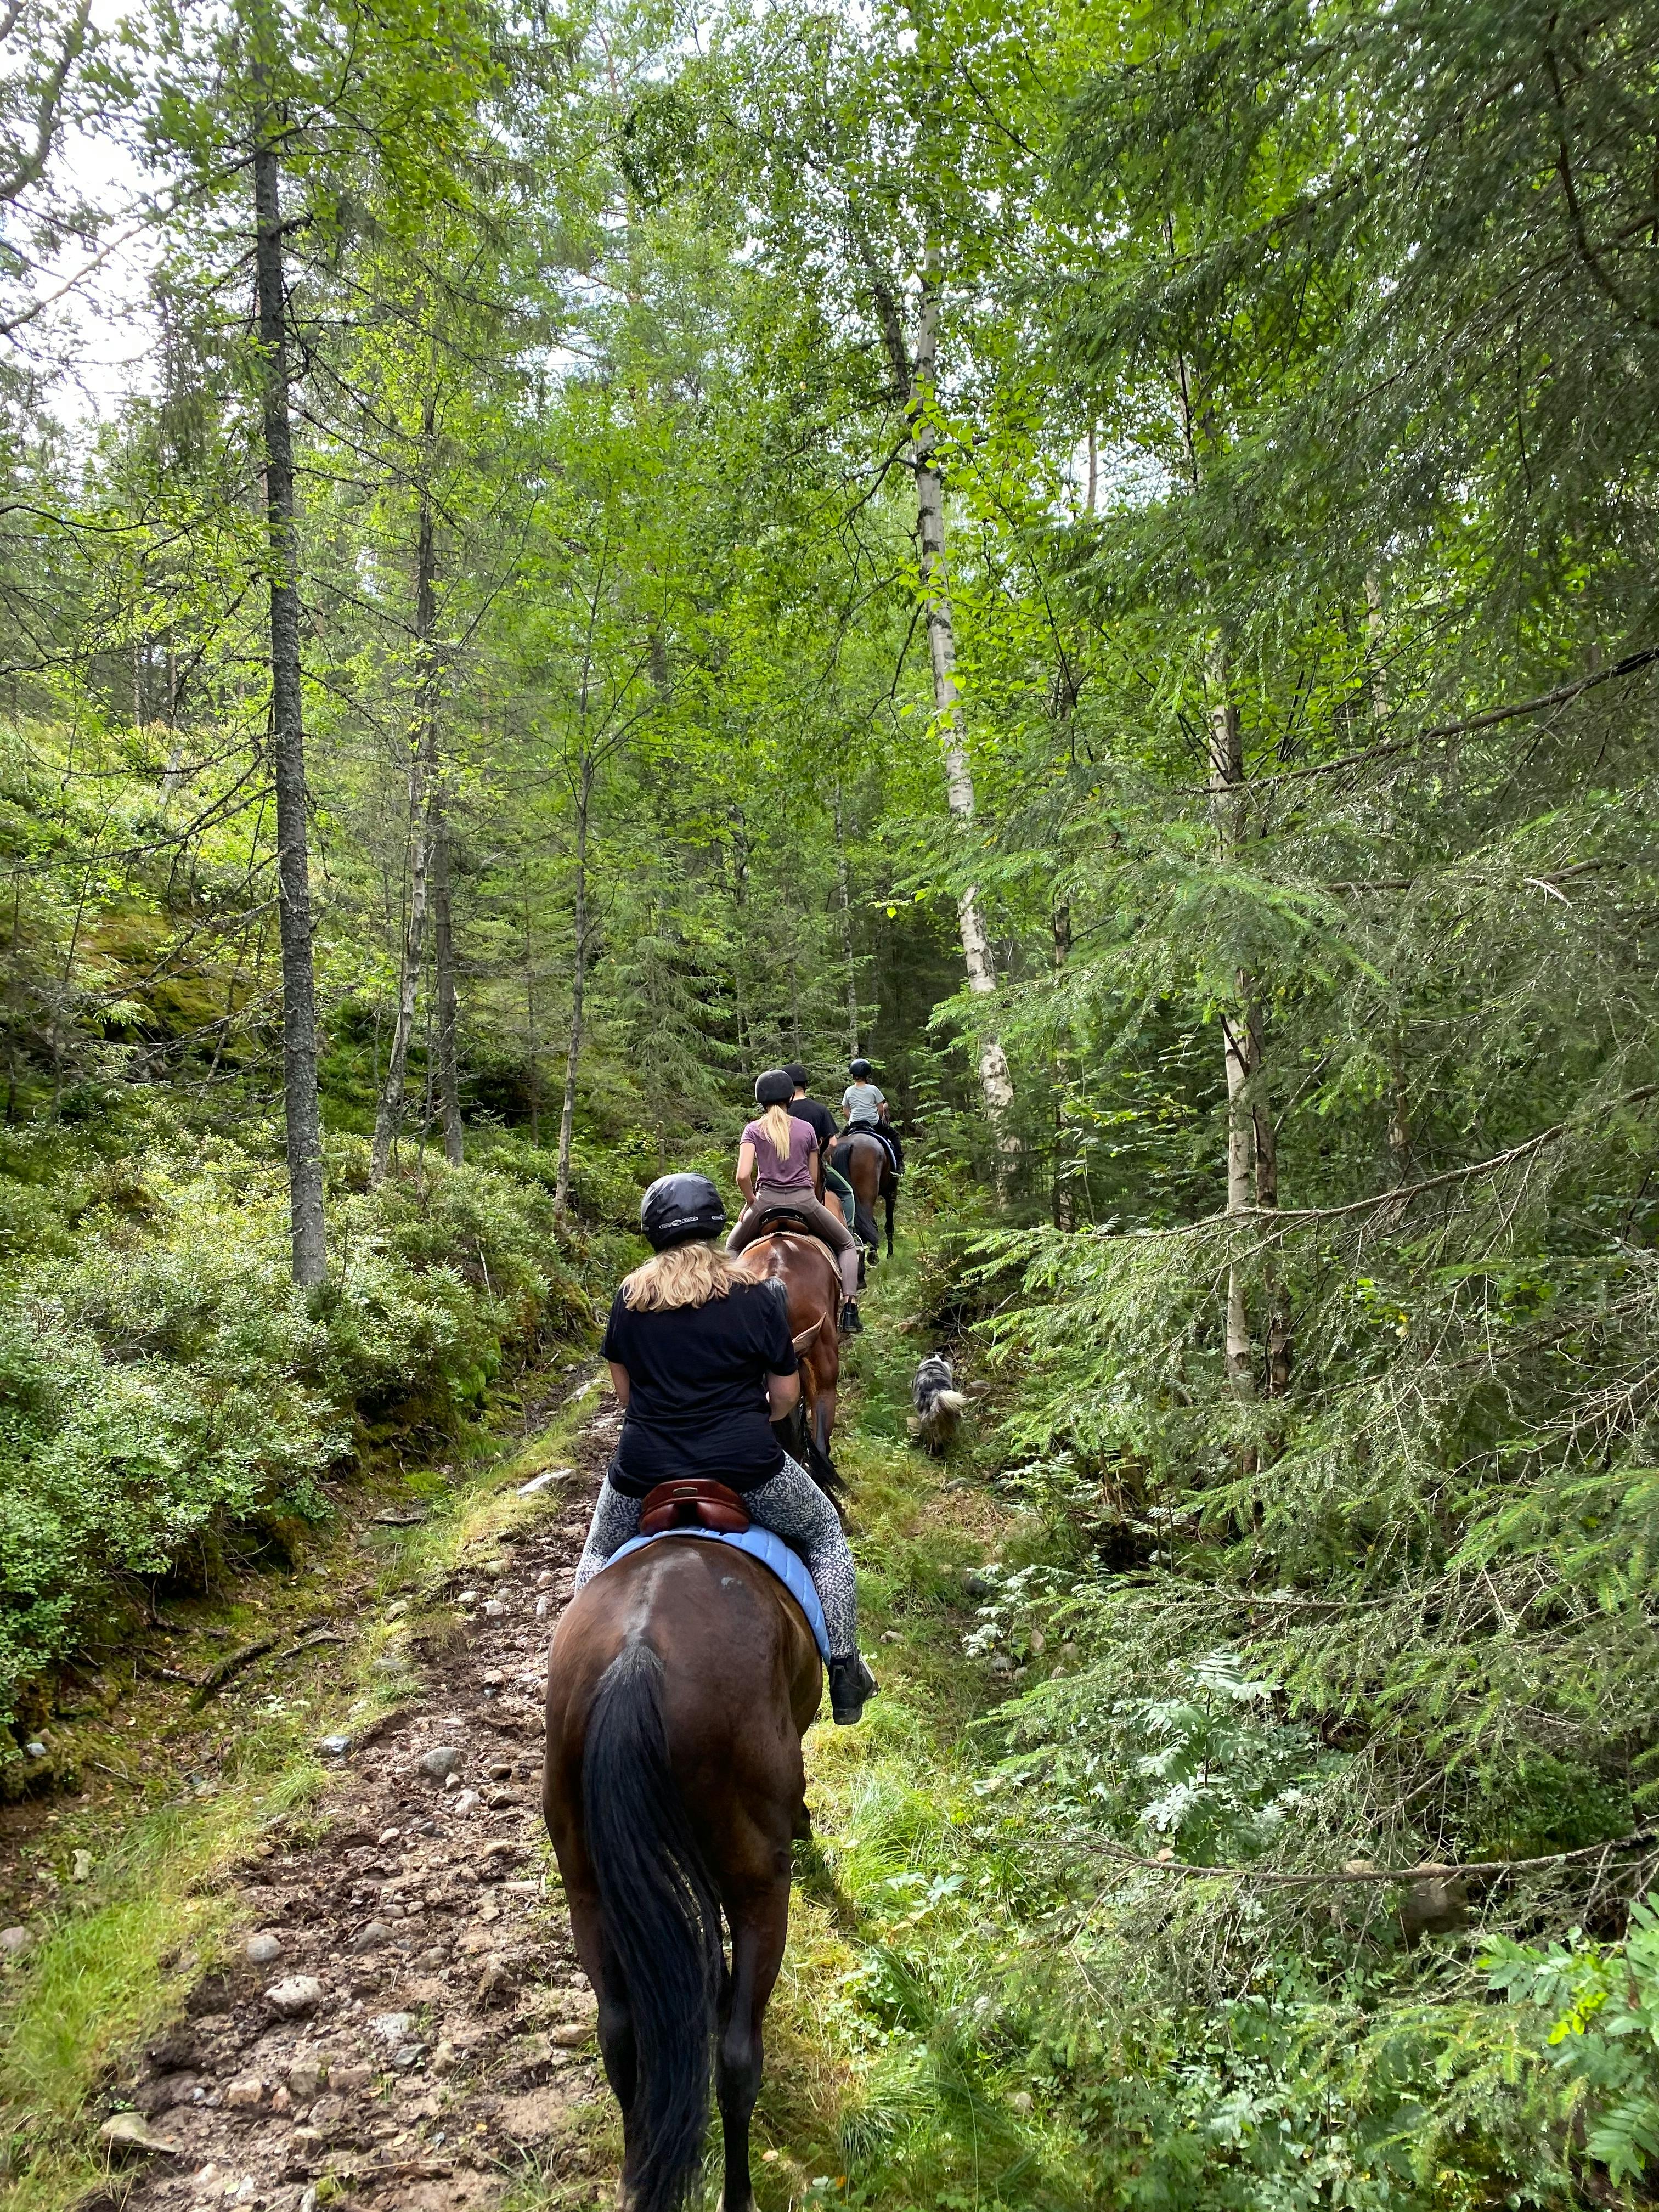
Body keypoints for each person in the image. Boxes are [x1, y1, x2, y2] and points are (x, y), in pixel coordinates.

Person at [574, 1172, 877, 1724]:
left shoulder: (630, 1297)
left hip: (644, 1468)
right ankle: (845, 1671)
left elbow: (625, 1396)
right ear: (716, 1224)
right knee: (825, 1534)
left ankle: (574, 1682)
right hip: (746, 1465)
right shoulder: (758, 1296)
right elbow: (785, 1397)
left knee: (596, 1555)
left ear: (652, 1233)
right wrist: (747, 1414)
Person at [726, 1069, 864, 1335]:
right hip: (804, 1202)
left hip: (765, 1204)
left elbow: (743, 1174)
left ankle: (727, 1310)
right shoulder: (808, 1129)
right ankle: (849, 1308)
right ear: (791, 1097)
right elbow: (814, 1178)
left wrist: (750, 1200)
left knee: (731, 1247)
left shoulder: (752, 1129)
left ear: (761, 1100)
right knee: (847, 1243)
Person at [785, 1061, 856, 1229]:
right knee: (847, 1193)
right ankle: (852, 1235)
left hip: (782, 1168)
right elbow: (832, 1143)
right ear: (805, 1085)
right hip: (812, 1166)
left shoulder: (778, 1111)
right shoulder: (819, 1110)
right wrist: (823, 1156)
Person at [842, 1056, 904, 1176]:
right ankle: (899, 1163)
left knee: (839, 1141)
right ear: (867, 1075)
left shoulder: (849, 1091)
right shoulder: (873, 1089)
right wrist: (878, 1118)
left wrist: (852, 1121)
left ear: (853, 1075)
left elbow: (845, 1112)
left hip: (854, 1123)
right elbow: (881, 1109)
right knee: (894, 1135)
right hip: (873, 1123)